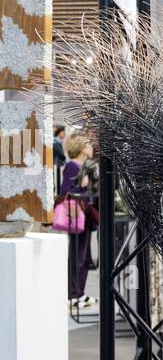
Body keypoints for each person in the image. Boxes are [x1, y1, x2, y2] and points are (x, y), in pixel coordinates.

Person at [59, 131, 97, 307]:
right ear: (82, 148)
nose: (91, 148)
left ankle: (79, 293)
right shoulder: (72, 166)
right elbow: (65, 191)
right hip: (76, 216)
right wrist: (80, 186)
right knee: (78, 255)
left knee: (84, 255)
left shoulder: (82, 166)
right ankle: (73, 294)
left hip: (84, 217)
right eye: (88, 145)